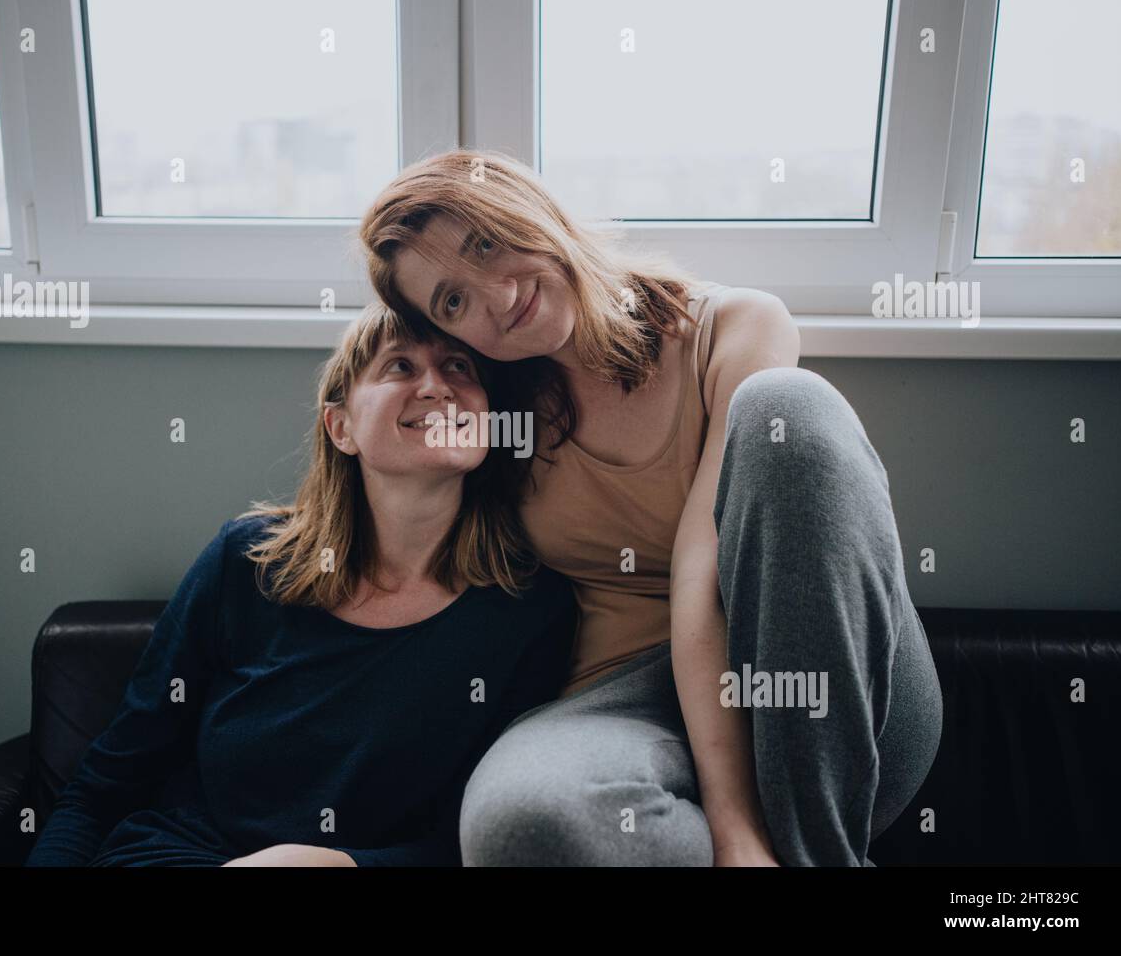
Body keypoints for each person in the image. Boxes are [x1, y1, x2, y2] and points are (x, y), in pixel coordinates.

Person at [358, 148, 944, 866]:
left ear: (529, 208)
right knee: (520, 822)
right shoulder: (496, 413)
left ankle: (808, 851)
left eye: (485, 241)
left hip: (824, 687)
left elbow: (701, 572)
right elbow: (398, 490)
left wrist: (733, 819)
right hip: (632, 706)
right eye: (453, 300)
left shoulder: (735, 327)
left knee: (788, 405)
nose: (497, 295)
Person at [24, 301, 577, 866]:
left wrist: (341, 865)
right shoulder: (245, 562)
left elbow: (480, 839)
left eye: (459, 367)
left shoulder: (528, 608)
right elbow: (104, 786)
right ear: (342, 428)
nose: (437, 388)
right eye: (400, 367)